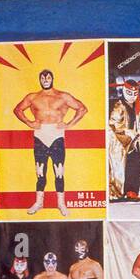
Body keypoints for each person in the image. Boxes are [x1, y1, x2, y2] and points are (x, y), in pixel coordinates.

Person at [13, 68, 87, 216]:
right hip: (40, 135)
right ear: (39, 80)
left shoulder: (63, 96)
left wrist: (69, 124)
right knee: (40, 172)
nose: (45, 80)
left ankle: (61, 203)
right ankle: (39, 203)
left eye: (48, 78)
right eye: (43, 78)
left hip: (56, 135)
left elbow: (82, 109)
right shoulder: (33, 97)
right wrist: (29, 122)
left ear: (52, 79)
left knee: (59, 172)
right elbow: (17, 110)